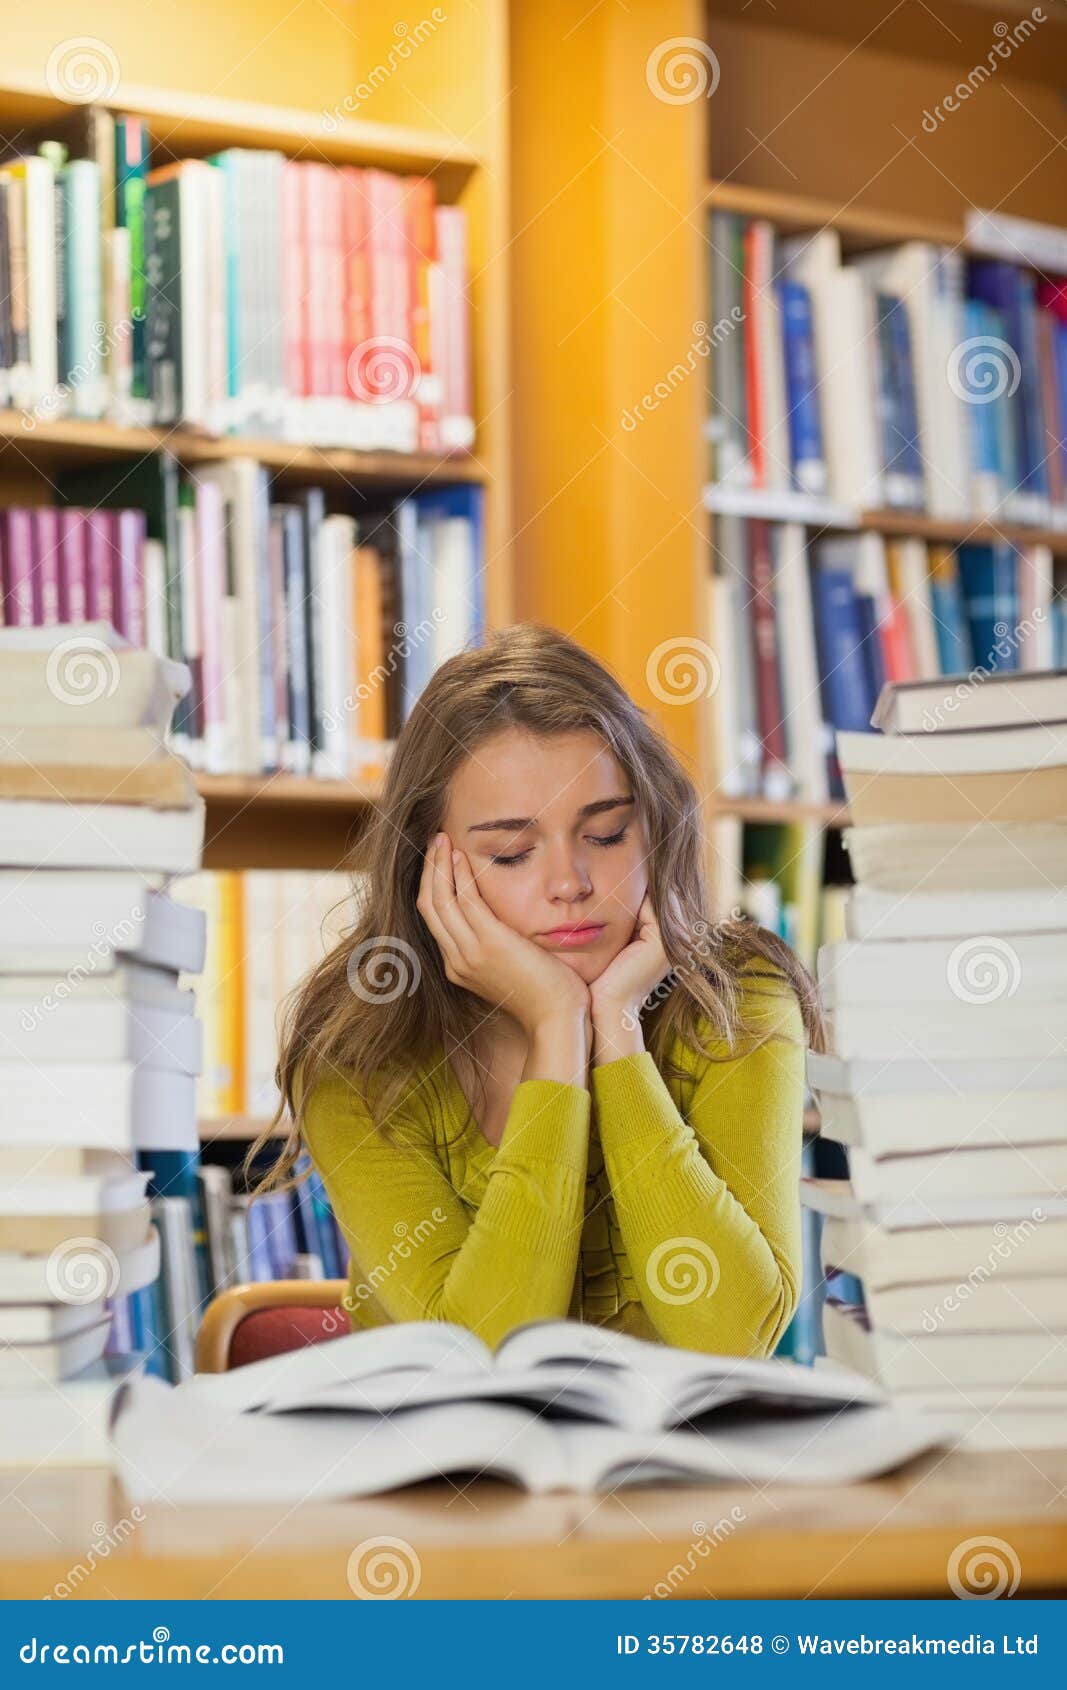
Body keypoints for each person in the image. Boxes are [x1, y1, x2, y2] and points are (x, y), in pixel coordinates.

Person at [246, 622, 824, 1355]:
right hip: (452, 1466)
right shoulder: (360, 1056)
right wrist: (558, 1027)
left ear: (653, 829)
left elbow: (732, 1335)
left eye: (607, 834)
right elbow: (480, 1354)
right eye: (512, 852)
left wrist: (613, 1029)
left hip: (676, 1467)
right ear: (432, 866)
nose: (569, 884)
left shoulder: (735, 998)